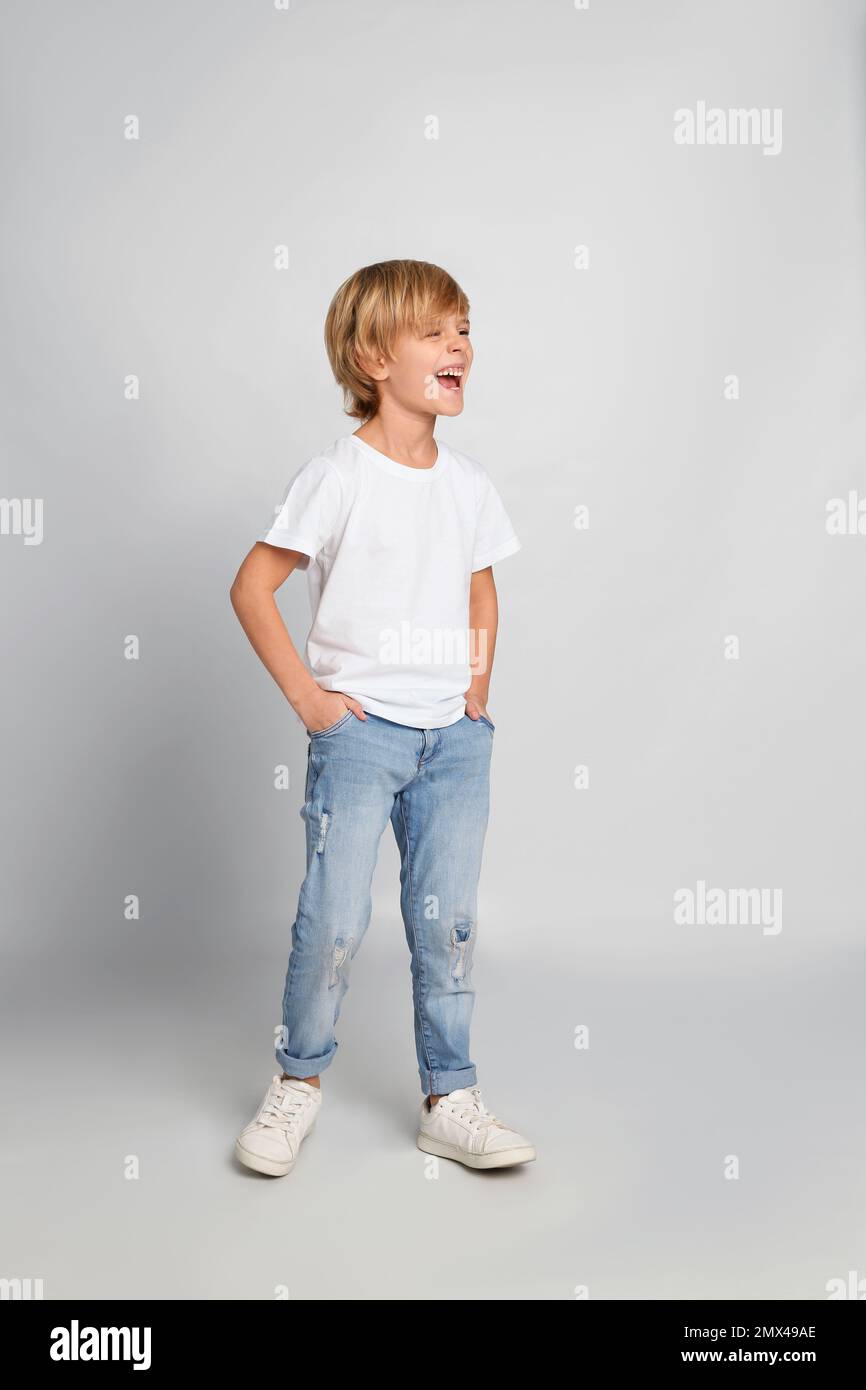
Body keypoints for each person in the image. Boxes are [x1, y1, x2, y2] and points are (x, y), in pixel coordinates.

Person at [229, 259, 536, 1176]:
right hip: (360, 738)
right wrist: (313, 703)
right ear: (373, 357)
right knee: (332, 921)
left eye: (465, 329)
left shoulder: (468, 483)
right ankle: (297, 1083)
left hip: (454, 744)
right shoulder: (337, 476)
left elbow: (483, 594)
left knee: (447, 924)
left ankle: (451, 1094)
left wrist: (474, 696)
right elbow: (253, 588)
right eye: (437, 332)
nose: (460, 347)